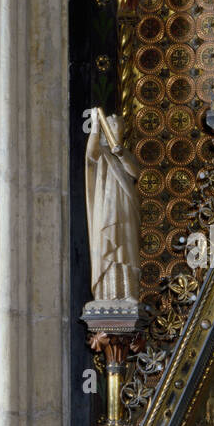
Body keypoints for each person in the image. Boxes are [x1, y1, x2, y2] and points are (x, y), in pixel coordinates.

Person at [85, 108, 140, 303]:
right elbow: (91, 155)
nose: (117, 128)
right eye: (113, 125)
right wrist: (95, 127)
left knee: (126, 248)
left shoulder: (126, 155)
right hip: (107, 211)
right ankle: (107, 294)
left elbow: (135, 172)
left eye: (119, 126)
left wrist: (122, 153)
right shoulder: (102, 155)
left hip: (125, 209)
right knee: (110, 246)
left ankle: (128, 292)